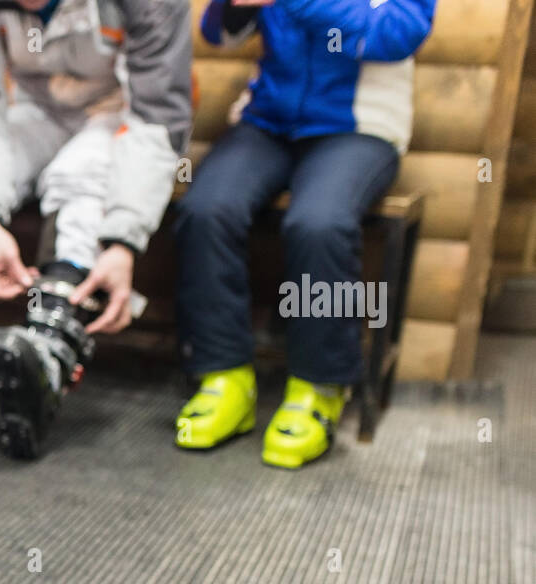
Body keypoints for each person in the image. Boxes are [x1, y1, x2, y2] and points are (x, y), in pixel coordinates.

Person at [0, 0, 192, 459]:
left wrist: (125, 239)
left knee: (79, 177)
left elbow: (158, 120)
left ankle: (49, 343)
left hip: (123, 111)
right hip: (35, 109)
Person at [174, 0, 435, 469]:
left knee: (319, 223)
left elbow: (395, 35)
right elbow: (219, 33)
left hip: (359, 129)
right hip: (268, 122)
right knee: (205, 210)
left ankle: (321, 385)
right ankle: (224, 377)